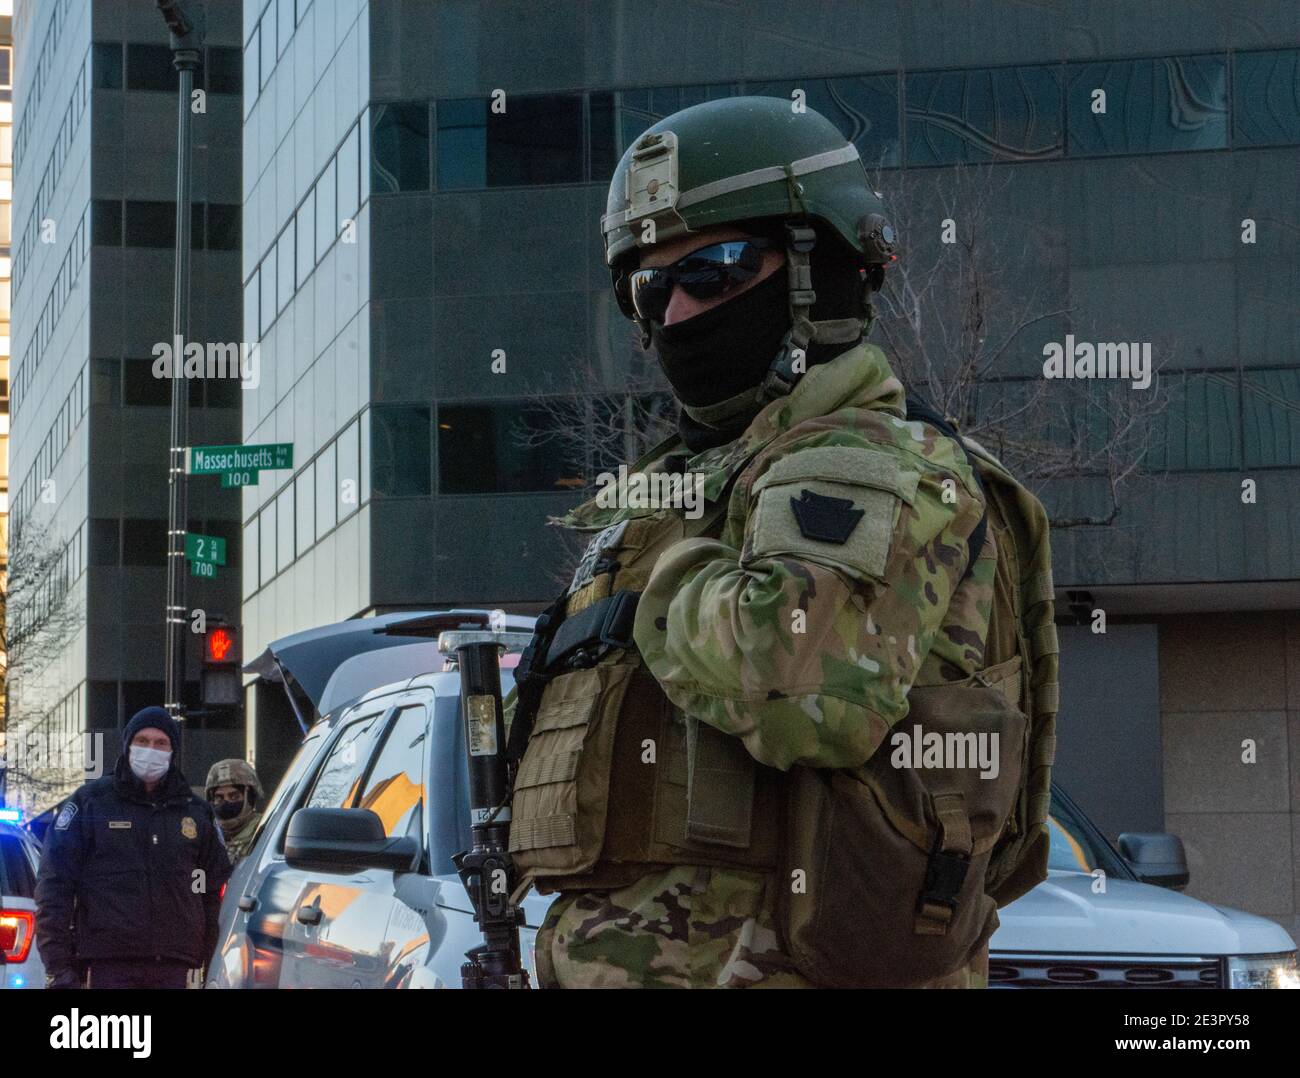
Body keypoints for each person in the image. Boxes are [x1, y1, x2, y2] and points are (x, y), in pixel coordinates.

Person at [507, 96, 1045, 989]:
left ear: (819, 265)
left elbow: (798, 686)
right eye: (650, 286)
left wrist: (667, 581)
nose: (676, 313)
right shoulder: (692, 480)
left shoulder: (864, 459)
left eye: (712, 270)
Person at [35, 706, 232, 989]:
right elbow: (54, 886)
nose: (151, 750)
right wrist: (59, 966)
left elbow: (214, 892)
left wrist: (211, 961)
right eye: (143, 741)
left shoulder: (197, 813)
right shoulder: (91, 803)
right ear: (127, 745)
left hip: (176, 967)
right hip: (106, 966)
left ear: (173, 751)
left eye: (161, 743)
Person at [205, 758, 264, 865]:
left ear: (250, 798)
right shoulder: (206, 838)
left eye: (234, 796)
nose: (226, 803)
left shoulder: (264, 834)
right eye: (219, 798)